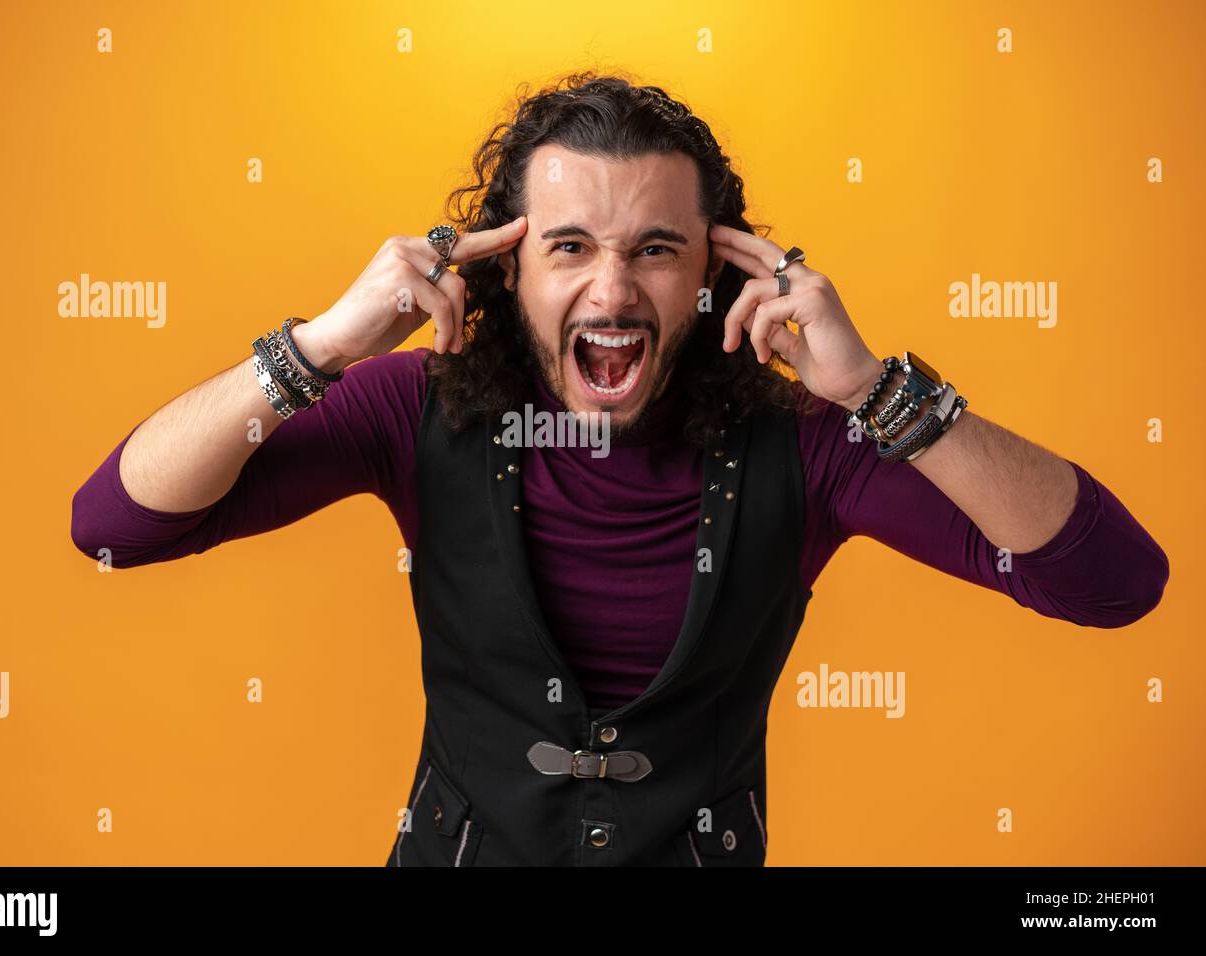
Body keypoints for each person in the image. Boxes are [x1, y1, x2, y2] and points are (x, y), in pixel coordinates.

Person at [70, 73, 1169, 866]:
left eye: (654, 246)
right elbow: (118, 522)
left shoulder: (813, 442)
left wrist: (879, 391)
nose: (610, 291)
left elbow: (1113, 582)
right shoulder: (413, 407)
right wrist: (322, 346)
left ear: (717, 268)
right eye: (568, 246)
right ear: (505, 269)